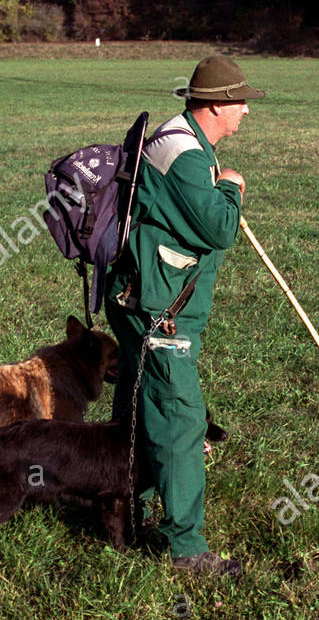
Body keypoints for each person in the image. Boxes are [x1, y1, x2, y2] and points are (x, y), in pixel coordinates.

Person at [105, 55, 261, 577]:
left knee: (136, 407)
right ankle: (186, 549)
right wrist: (232, 189)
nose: (245, 110)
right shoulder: (189, 156)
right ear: (215, 105)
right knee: (179, 419)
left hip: (137, 297)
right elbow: (218, 229)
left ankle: (124, 509)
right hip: (157, 311)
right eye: (240, 102)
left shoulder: (178, 138)